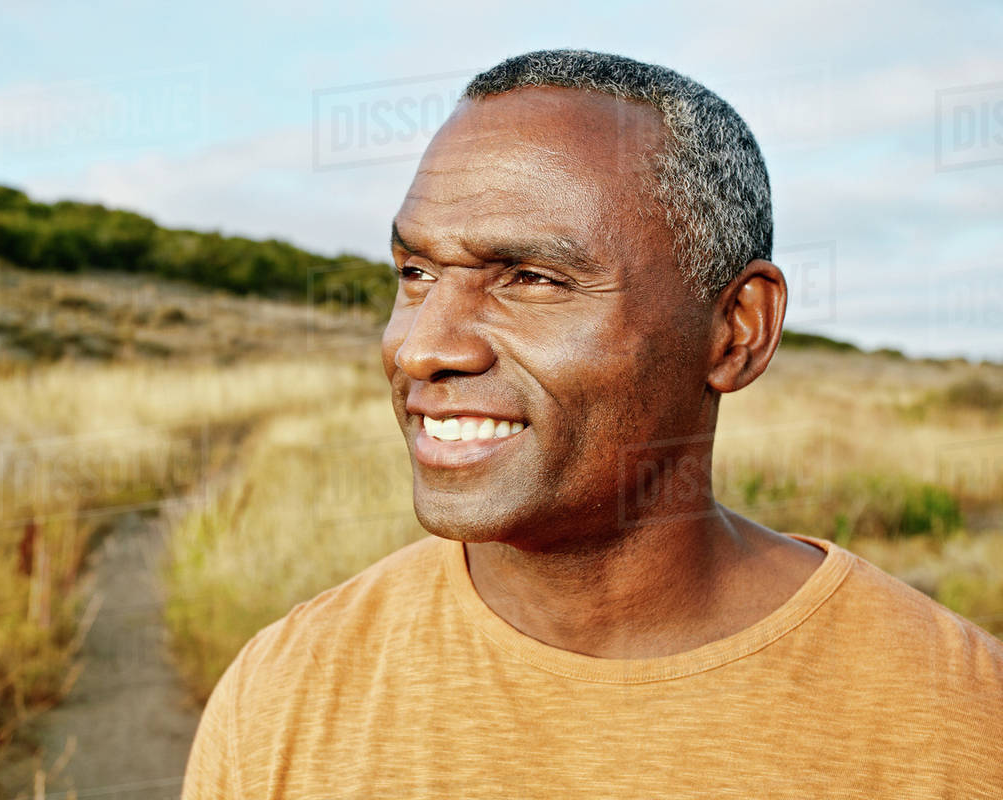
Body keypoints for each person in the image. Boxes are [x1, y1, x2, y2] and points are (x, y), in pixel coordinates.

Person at [182, 49, 1003, 798]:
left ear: (736, 330)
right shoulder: (282, 694)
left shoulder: (960, 721)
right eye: (417, 272)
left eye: (532, 278)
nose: (423, 347)